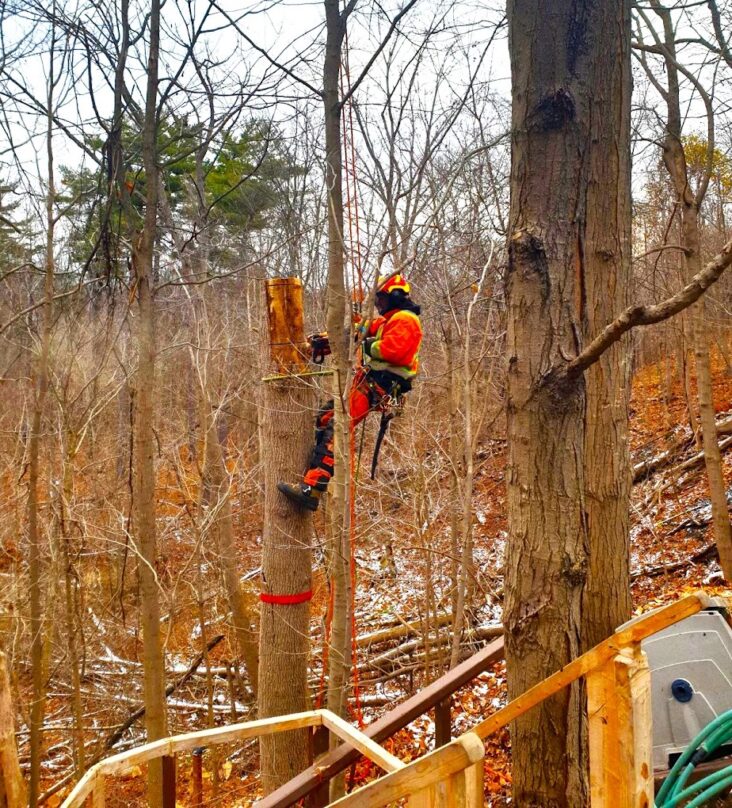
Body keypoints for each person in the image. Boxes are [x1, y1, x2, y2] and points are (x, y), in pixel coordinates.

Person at [277, 273, 422, 511]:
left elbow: (393, 351)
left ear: (394, 296)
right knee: (325, 418)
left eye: (381, 300)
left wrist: (365, 345)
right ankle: (315, 469)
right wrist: (325, 341)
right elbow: (361, 330)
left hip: (383, 383)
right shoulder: (389, 320)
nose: (378, 305)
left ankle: (312, 488)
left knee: (339, 424)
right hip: (373, 381)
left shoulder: (406, 320)